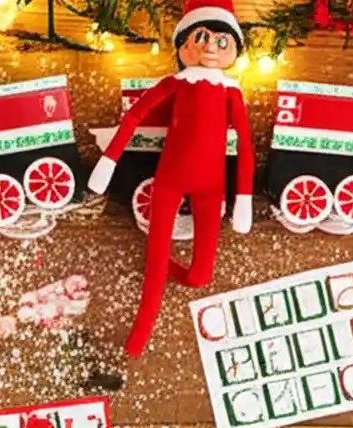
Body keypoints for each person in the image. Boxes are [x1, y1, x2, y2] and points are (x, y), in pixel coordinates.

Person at [87, 0, 254, 357]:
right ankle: (136, 341)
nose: (211, 46)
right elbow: (134, 117)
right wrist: (108, 161)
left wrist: (243, 198)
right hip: (169, 182)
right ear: (183, 46)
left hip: (211, 189)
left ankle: (160, 264)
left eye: (222, 41)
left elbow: (246, 146)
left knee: (200, 276)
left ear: (234, 50)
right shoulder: (176, 83)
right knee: (153, 274)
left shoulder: (232, 92)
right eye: (202, 36)